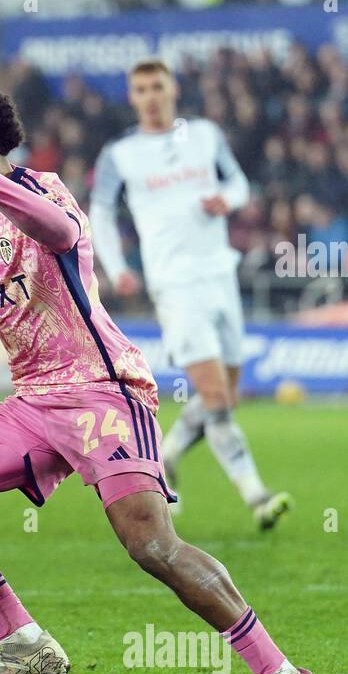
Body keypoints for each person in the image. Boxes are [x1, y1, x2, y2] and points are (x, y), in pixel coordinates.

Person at [0, 83, 319, 674]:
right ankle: (22, 645)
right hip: (32, 402)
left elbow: (57, 231)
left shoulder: (44, 189)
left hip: (102, 392)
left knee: (151, 545)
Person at [89, 60, 291, 529]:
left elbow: (238, 181)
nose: (151, 96)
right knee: (217, 398)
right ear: (133, 97)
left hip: (221, 272)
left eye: (157, 86)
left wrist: (230, 199)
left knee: (228, 396)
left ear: (173, 88)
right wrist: (117, 268)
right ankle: (257, 497)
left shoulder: (204, 134)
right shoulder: (121, 153)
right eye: (141, 89)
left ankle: (167, 452)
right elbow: (99, 213)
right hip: (174, 281)